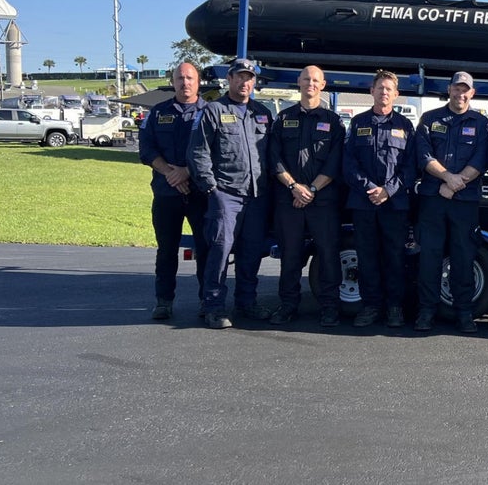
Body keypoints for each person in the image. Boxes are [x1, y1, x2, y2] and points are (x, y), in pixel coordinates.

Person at [188, 58, 274, 329]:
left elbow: (270, 154)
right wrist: (210, 187)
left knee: (251, 252)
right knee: (220, 250)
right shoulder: (214, 110)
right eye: (240, 76)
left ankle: (246, 303)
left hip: (257, 195)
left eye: (250, 78)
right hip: (225, 193)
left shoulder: (262, 113)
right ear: (230, 78)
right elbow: (198, 151)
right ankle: (212, 306)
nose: (245, 82)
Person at [267, 66, 346, 328]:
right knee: (290, 255)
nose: (310, 84)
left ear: (323, 84)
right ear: (298, 82)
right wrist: (294, 187)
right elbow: (274, 158)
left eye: (315, 80)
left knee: (327, 254)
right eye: (306, 79)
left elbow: (335, 163)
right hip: (289, 199)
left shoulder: (333, 122)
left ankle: (329, 307)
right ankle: (288, 305)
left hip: (321, 200)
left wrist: (310, 190)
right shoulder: (283, 118)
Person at [413, 71, 488, 334]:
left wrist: (457, 183)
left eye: (465, 89)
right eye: (456, 89)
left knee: (463, 257)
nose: (460, 94)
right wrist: (447, 178)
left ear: (472, 92)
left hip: (464, 201)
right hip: (434, 199)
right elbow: (423, 154)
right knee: (430, 257)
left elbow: (481, 159)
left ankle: (464, 314)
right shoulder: (430, 119)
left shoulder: (481, 123)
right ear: (449, 90)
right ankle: (426, 312)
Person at [343, 70, 416, 329]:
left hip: (394, 204)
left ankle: (394, 307)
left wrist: (388, 190)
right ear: (371, 91)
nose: (384, 92)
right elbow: (348, 163)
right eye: (380, 88)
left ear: (396, 95)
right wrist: (371, 188)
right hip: (364, 203)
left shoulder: (405, 126)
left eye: (389, 89)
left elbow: (410, 167)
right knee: (367, 256)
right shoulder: (358, 123)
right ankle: (371, 306)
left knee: (395, 256)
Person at [138, 62, 208, 320]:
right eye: (180, 78)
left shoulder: (210, 112)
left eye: (190, 78)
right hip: (167, 193)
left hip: (200, 193)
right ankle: (164, 301)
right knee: (166, 250)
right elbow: (146, 150)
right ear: (173, 81)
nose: (185, 82)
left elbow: (217, 151)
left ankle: (207, 301)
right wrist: (170, 173)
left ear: (198, 81)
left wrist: (187, 172)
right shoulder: (157, 113)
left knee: (206, 248)